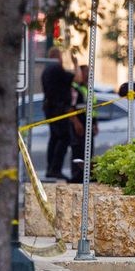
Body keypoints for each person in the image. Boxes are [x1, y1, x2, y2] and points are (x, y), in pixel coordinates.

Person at [41, 51, 75, 181]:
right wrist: (75, 64)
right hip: (58, 109)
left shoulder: (47, 70)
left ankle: (51, 168)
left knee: (54, 139)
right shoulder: (55, 68)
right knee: (64, 137)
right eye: (60, 56)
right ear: (57, 57)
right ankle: (55, 169)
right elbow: (72, 78)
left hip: (51, 108)